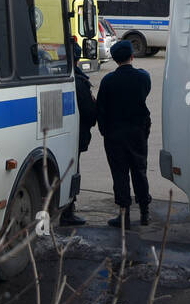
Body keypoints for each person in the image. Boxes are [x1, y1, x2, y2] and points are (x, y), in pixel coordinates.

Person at [95, 39, 152, 228]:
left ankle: (124, 216)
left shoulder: (108, 81)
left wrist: (105, 131)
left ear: (114, 59)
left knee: (120, 174)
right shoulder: (143, 78)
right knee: (139, 171)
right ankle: (145, 213)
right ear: (132, 57)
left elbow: (100, 109)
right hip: (137, 133)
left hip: (115, 135)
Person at [60, 38, 95, 227]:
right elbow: (89, 112)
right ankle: (68, 211)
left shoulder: (56, 75)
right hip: (74, 135)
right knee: (72, 169)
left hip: (55, 134)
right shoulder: (79, 82)